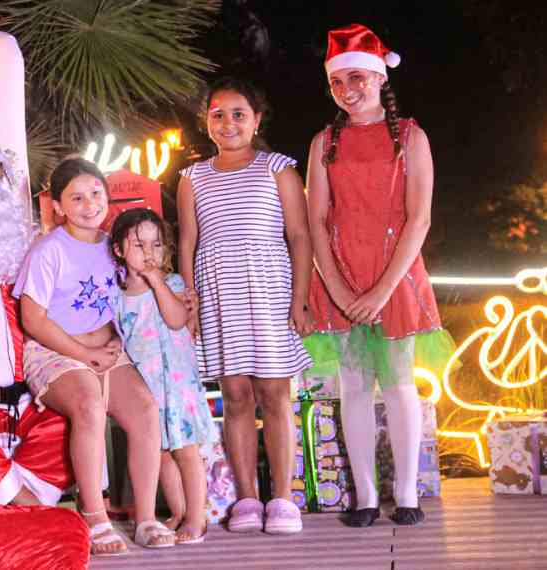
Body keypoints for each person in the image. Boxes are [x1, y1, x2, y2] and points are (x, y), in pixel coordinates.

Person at [304, 24, 455, 527]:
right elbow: (316, 221)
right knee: (353, 385)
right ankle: (365, 497)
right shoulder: (324, 142)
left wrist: (382, 291)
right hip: (341, 275)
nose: (348, 89)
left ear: (379, 78)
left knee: (398, 383)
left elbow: (419, 219)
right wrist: (338, 288)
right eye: (337, 81)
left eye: (357, 78)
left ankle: (407, 493)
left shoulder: (411, 137)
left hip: (396, 275)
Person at [177, 77, 314, 535]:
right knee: (235, 396)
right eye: (218, 114)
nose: (228, 123)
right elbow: (188, 243)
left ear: (256, 120)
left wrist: (300, 299)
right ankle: (248, 499)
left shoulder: (278, 168)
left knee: (274, 393)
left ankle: (283, 498)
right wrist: (190, 301)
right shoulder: (192, 177)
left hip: (269, 291)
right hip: (219, 294)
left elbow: (299, 236)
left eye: (238, 114)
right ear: (207, 122)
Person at [14, 158, 169, 553]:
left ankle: (146, 517)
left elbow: (129, 299)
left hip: (107, 351)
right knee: (88, 402)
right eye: (77, 198)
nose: (89, 204)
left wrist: (115, 341)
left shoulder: (115, 246)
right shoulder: (48, 250)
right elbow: (33, 319)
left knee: (146, 408)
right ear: (58, 206)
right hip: (56, 352)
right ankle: (95, 516)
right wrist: (84, 353)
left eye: (96, 193)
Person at [109, 208, 217, 545]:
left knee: (186, 450)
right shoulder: (116, 296)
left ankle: (197, 516)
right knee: (161, 453)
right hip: (147, 386)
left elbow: (175, 319)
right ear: (118, 250)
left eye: (156, 244)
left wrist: (157, 282)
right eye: (139, 245)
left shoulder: (172, 284)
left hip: (178, 384)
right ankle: (178, 510)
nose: (149, 253)